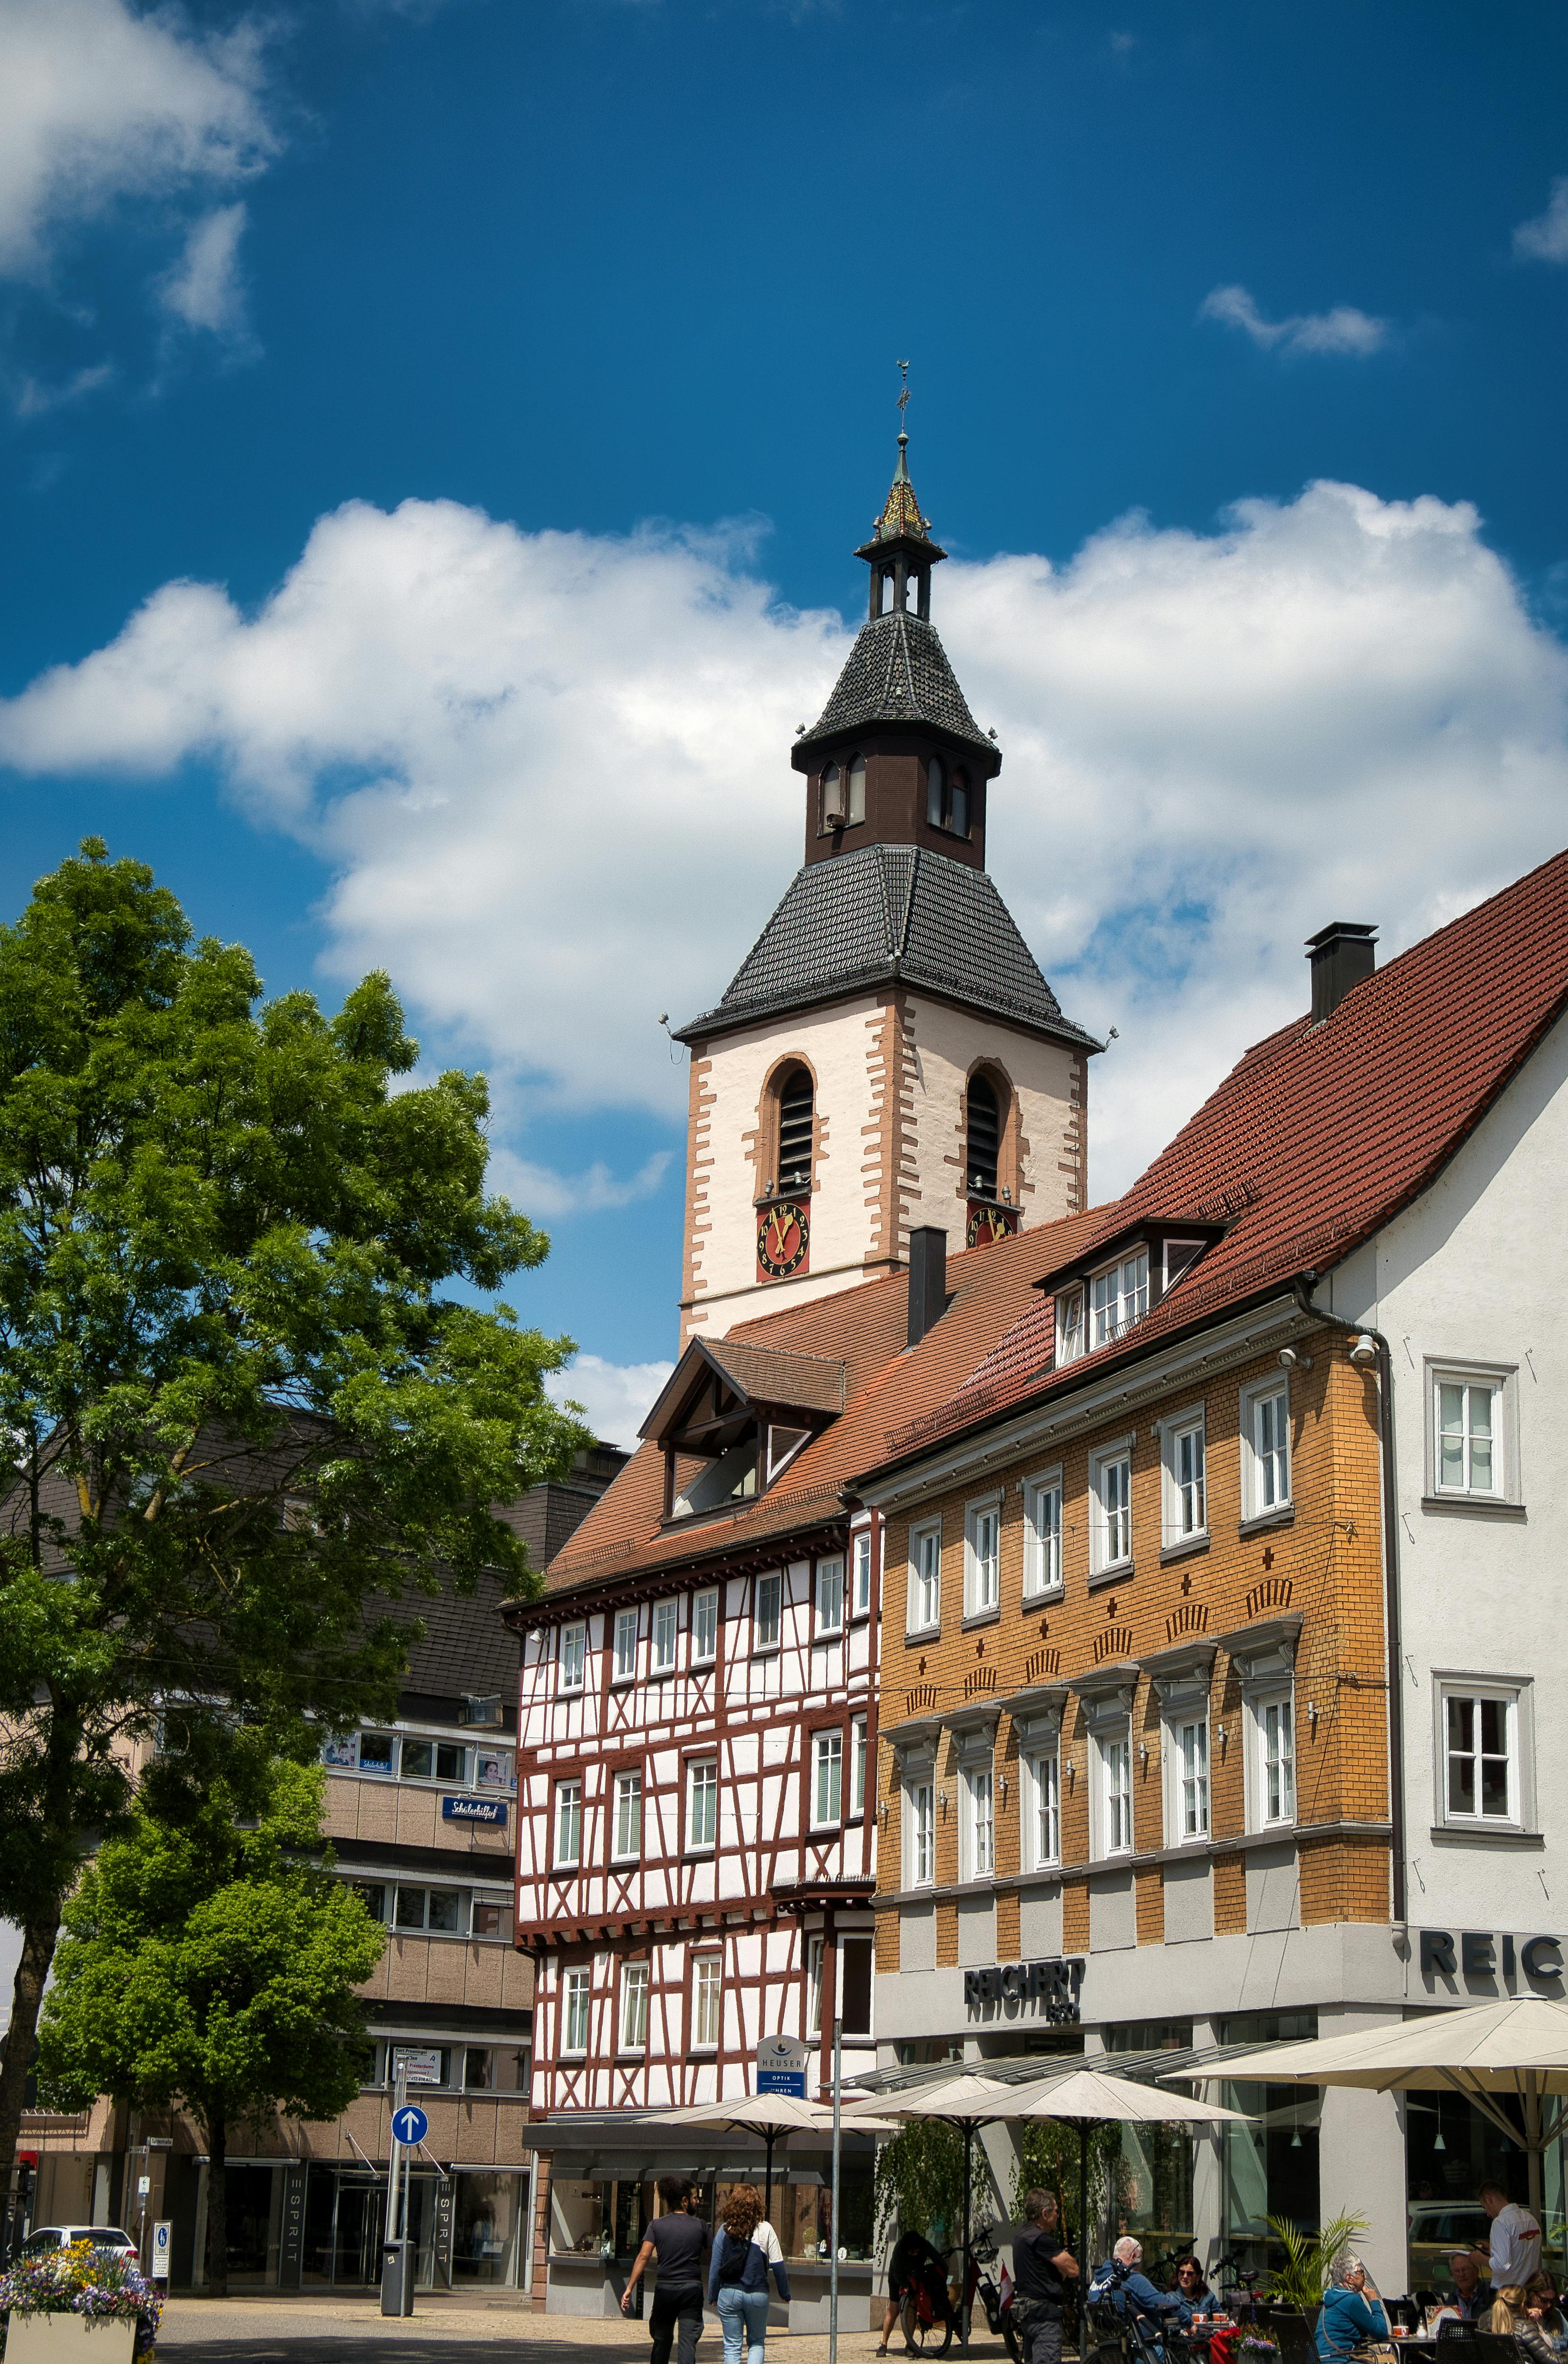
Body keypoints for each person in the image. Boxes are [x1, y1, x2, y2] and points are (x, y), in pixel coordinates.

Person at [623, 2175, 710, 2364]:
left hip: (665, 2291)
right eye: (695, 2197)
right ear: (685, 2201)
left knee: (662, 2340)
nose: (698, 2201)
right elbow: (713, 2258)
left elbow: (643, 2257)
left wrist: (630, 2287)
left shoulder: (656, 2226)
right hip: (691, 2290)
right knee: (688, 2341)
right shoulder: (701, 2227)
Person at [707, 2184, 789, 2364]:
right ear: (758, 2206)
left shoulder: (724, 2230)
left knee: (732, 2346)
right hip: (757, 2293)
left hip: (729, 2293)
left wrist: (712, 2295)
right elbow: (778, 2265)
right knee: (757, 2343)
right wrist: (785, 2294)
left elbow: (715, 2267)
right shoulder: (766, 2229)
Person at [1009, 2188, 1081, 2364]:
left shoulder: (1021, 2236)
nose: (1058, 2215)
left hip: (1028, 2313)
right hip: (1045, 2316)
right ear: (1044, 2213)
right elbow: (1073, 2270)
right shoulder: (1041, 2238)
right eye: (1056, 2211)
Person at [1089, 2238, 1184, 2337]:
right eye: (1140, 2259)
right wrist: (1190, 2322)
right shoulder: (1130, 2278)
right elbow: (1163, 2304)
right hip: (1141, 2345)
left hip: (1109, 2343)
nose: (1140, 2265)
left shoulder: (1097, 2281)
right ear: (1133, 2256)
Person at [878, 2226, 948, 2356]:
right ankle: (883, 2344)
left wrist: (942, 2279)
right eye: (912, 2252)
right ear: (907, 2250)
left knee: (911, 2310)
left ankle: (909, 2345)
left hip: (917, 2276)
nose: (916, 2254)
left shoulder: (924, 2245)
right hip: (897, 2278)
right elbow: (899, 2276)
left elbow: (940, 2261)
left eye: (917, 2252)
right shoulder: (899, 2251)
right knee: (893, 2310)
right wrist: (906, 2287)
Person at [1315, 2252, 1388, 2364]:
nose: (1365, 2277)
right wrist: (1374, 2302)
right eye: (1361, 2272)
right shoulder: (1350, 2300)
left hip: (1322, 2359)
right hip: (1338, 2360)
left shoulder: (1334, 2297)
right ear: (1350, 2278)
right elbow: (1381, 2333)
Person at [1472, 2182, 1543, 2289]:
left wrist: (1480, 2258)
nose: (1487, 2213)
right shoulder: (1530, 2219)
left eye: (1485, 2207)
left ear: (1489, 2199)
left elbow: (1502, 2265)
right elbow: (1520, 2251)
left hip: (1507, 2293)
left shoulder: (1500, 2222)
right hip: (1529, 2290)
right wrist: (1493, 2250)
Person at [1169, 2257, 1222, 2330]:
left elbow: (1222, 2322)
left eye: (1190, 2274)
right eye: (1182, 2272)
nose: (1185, 2277)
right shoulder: (1171, 2299)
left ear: (1198, 2277)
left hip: (1207, 2340)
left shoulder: (1208, 2296)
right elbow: (1169, 2328)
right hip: (1184, 2341)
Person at [1444, 2250, 1485, 2321]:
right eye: (1457, 2271)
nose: (1461, 2275)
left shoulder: (1489, 2295)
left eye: (1465, 2269)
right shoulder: (1452, 2299)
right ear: (1453, 2275)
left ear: (1476, 2271)